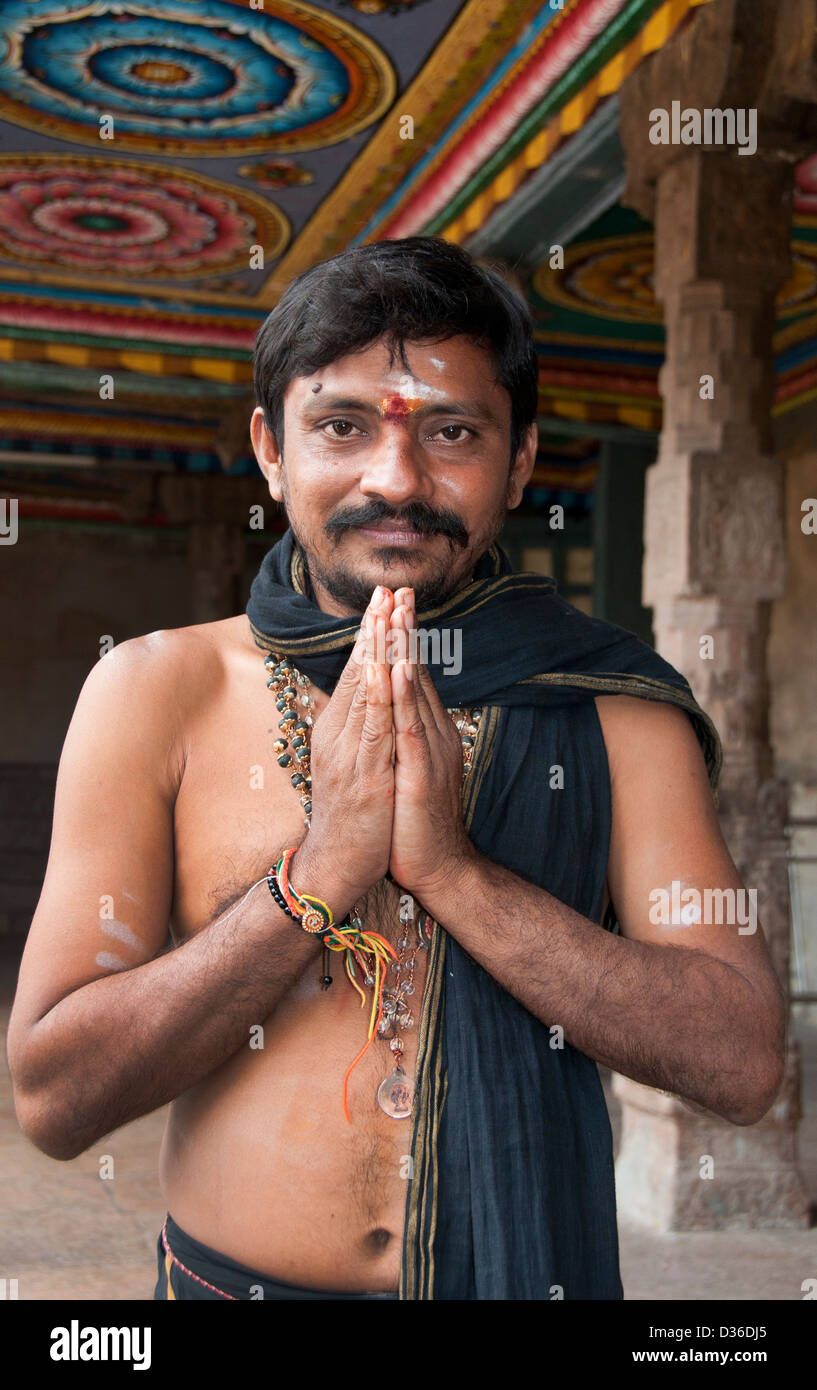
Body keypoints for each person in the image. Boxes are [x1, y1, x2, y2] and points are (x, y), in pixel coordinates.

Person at [6, 236, 784, 1301]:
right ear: (270, 451)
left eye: (453, 432)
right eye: (341, 425)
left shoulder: (608, 707)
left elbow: (742, 1061)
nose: (395, 478)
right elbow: (53, 1100)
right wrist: (318, 872)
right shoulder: (157, 692)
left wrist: (456, 873)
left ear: (518, 461)